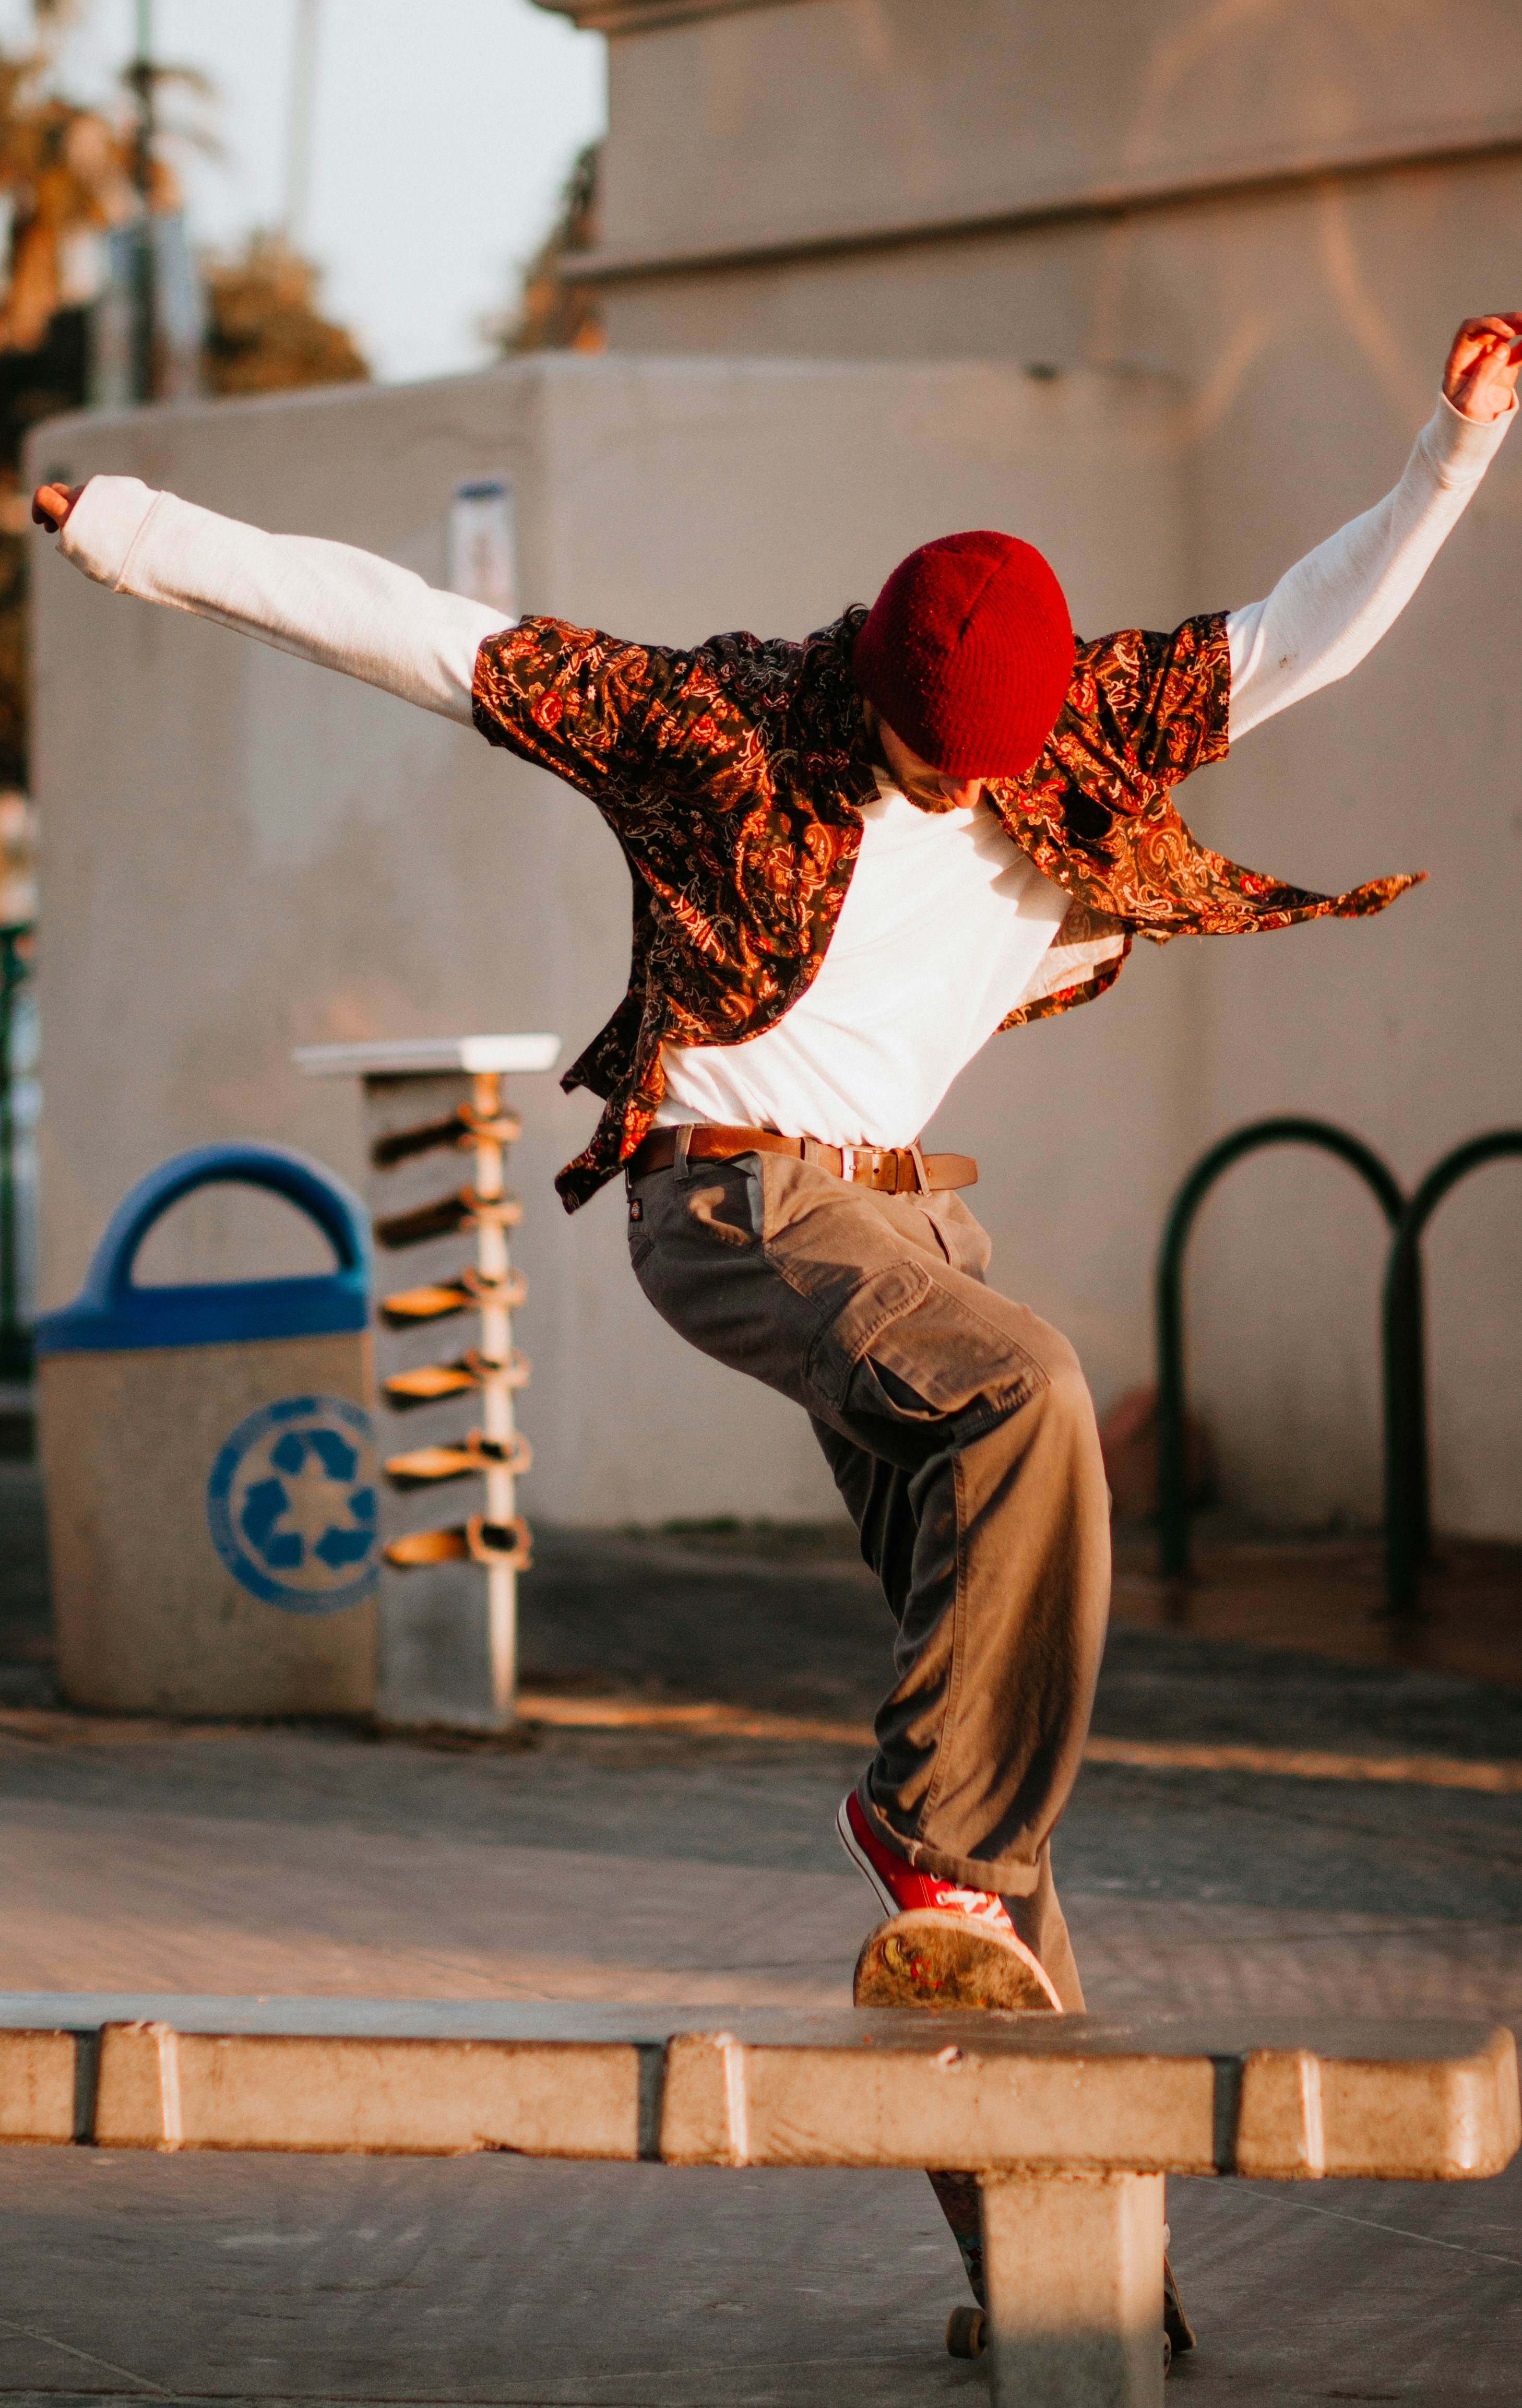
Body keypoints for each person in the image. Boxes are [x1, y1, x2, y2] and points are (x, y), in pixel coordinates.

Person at [33, 313, 1519, 2021]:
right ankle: (919, 1830)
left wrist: (1451, 446)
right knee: (1028, 1393)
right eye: (918, 759)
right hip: (734, 1199)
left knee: (994, 1713)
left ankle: (1045, 2167)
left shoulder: (1087, 719)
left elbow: (1296, 636)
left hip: (904, 1223)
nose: (951, 785)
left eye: (979, 768)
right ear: (868, 687)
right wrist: (139, 534)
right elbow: (427, 636)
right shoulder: (715, 723)